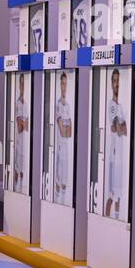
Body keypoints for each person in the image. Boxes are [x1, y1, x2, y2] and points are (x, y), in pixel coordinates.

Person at [105, 68, 127, 219]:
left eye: (118, 80)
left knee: (119, 195)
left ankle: (117, 219)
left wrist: (122, 127)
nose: (117, 84)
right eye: (114, 81)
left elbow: (125, 130)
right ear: (111, 84)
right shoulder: (112, 105)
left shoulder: (122, 105)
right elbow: (119, 130)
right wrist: (122, 126)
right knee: (111, 195)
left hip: (121, 158)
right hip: (114, 158)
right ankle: (106, 219)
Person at [54, 72, 73, 204]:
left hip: (67, 150)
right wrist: (65, 125)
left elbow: (70, 132)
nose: (64, 86)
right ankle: (56, 203)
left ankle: (63, 204)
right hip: (60, 149)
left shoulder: (68, 106)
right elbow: (63, 131)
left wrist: (66, 126)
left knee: (65, 180)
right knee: (58, 180)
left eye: (66, 83)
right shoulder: (58, 105)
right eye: (62, 83)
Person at [13, 77, 28, 192]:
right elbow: (20, 126)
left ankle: (22, 190)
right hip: (18, 142)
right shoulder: (17, 103)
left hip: (27, 143)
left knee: (24, 170)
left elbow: (27, 125)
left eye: (24, 84)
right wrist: (25, 122)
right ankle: (15, 190)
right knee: (17, 169)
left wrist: (25, 123)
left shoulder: (28, 103)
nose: (22, 87)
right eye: (21, 84)